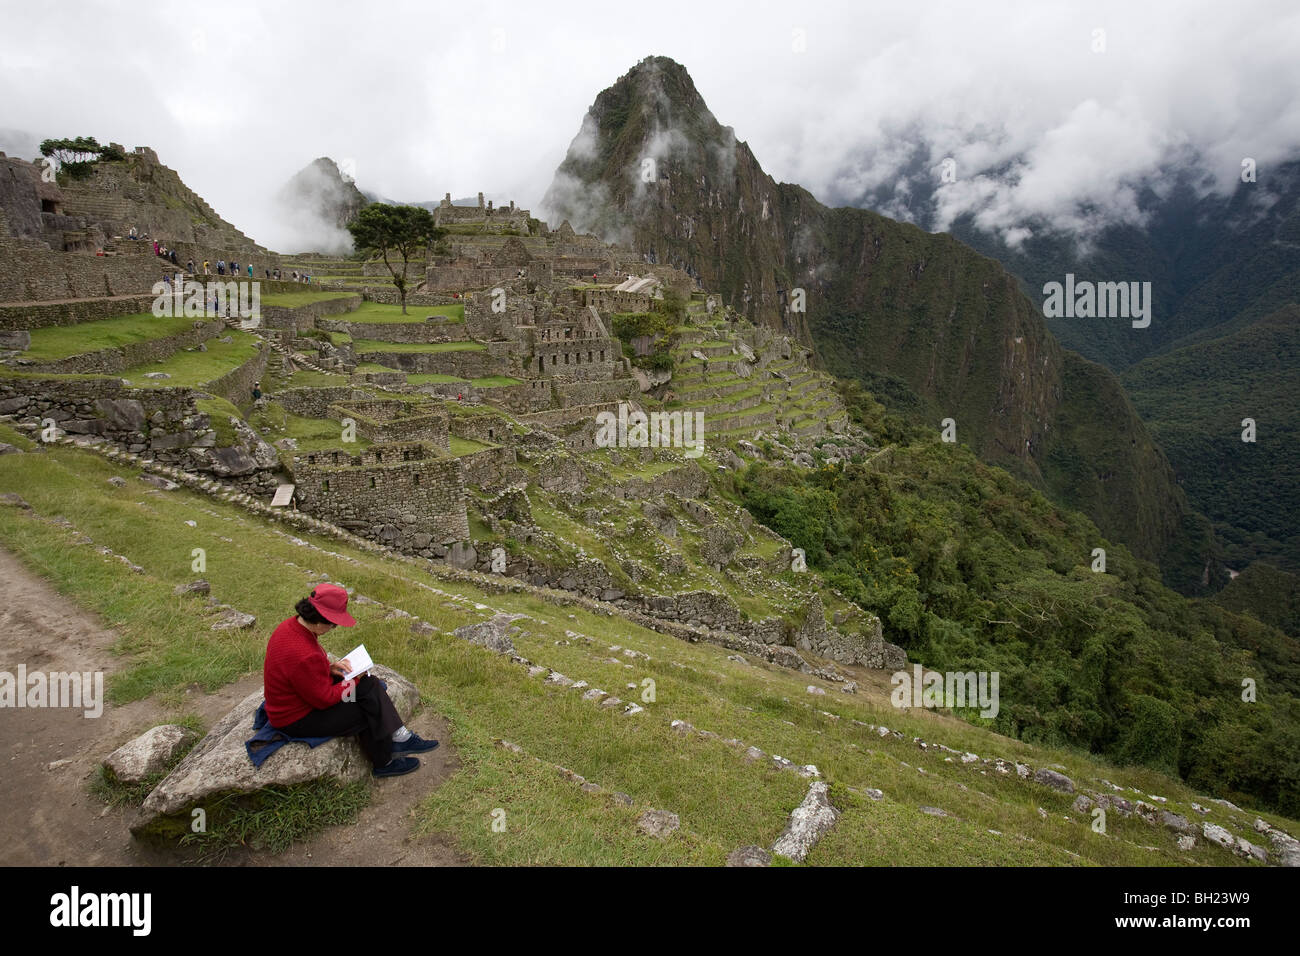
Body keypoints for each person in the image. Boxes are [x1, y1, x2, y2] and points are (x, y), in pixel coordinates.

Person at [262, 584, 436, 777]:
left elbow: (301, 674)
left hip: (304, 698)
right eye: (333, 624)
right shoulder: (304, 654)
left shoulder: (291, 626)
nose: (333, 628)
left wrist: (329, 669)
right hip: (298, 717)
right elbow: (324, 699)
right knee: (367, 708)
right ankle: (384, 762)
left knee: (370, 685)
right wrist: (354, 680)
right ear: (320, 621)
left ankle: (400, 737)